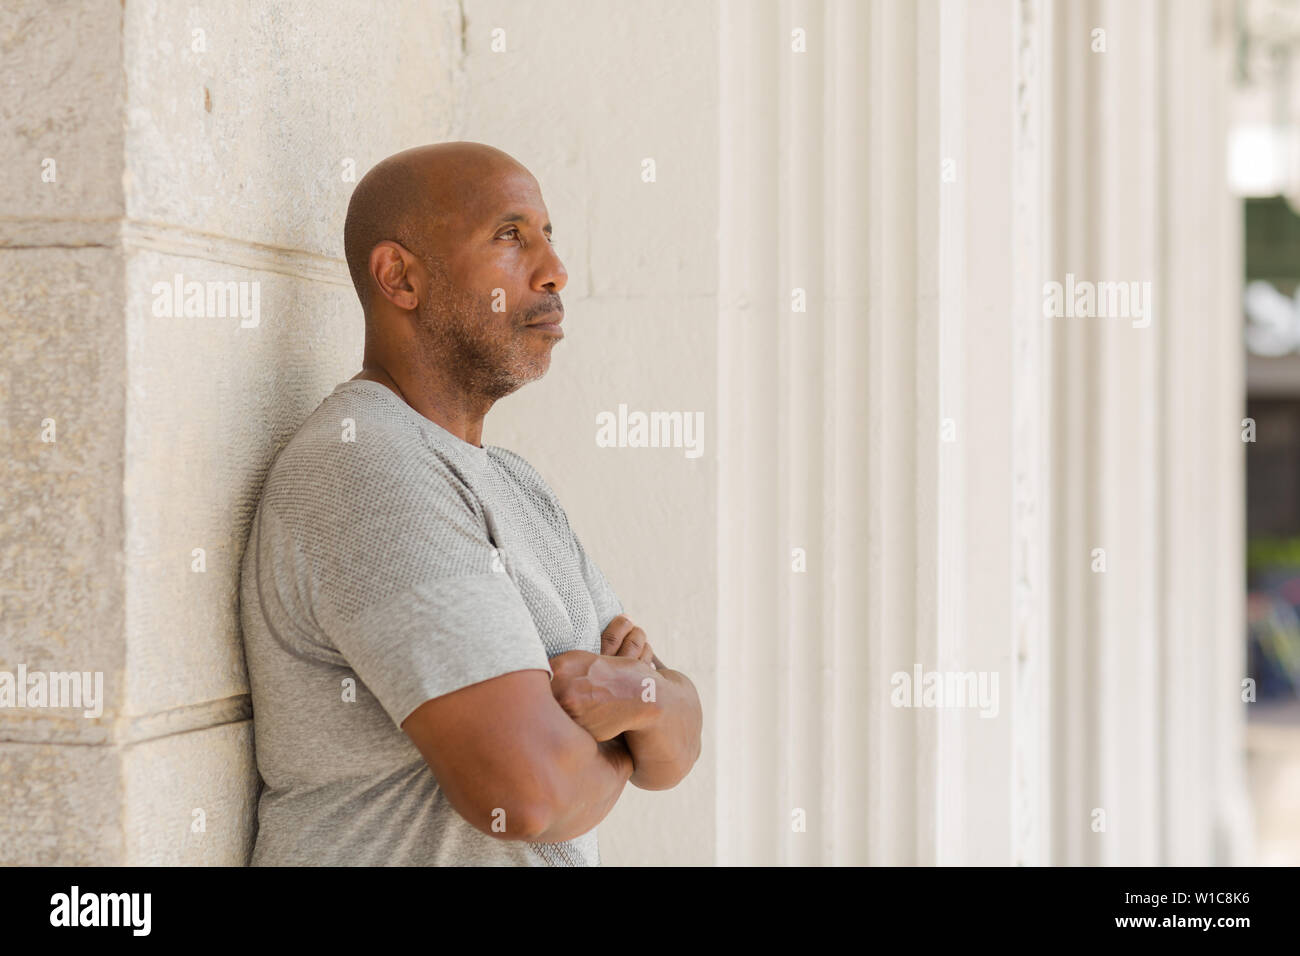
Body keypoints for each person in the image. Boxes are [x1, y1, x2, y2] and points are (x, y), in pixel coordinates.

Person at [239, 142, 702, 866]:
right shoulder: (368, 468)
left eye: (549, 236)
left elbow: (677, 749)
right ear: (400, 278)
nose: (554, 270)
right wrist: (624, 727)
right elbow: (527, 796)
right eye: (511, 237)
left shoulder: (518, 487)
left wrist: (631, 695)